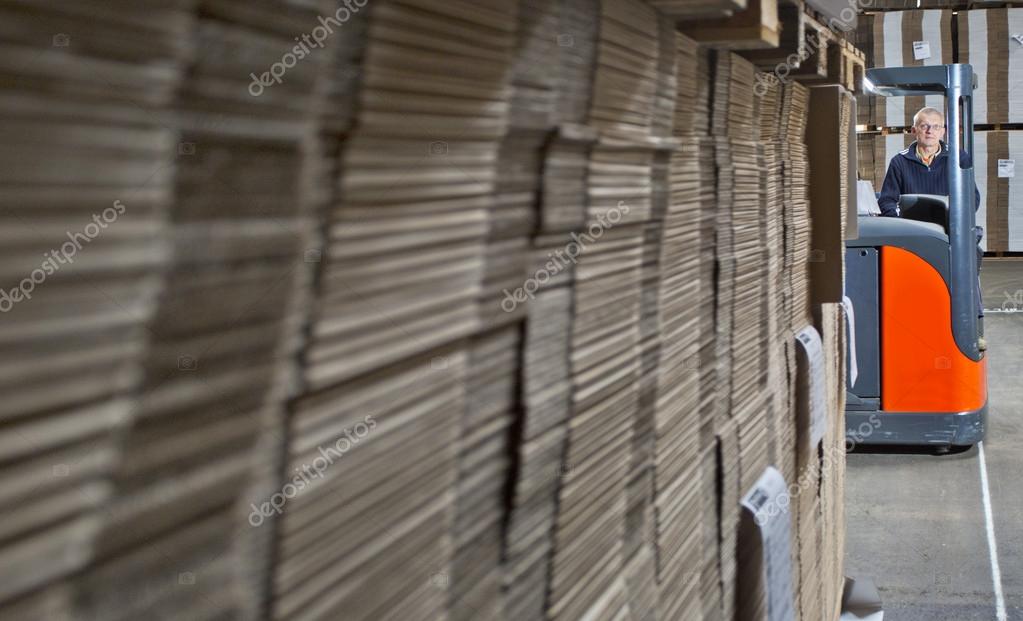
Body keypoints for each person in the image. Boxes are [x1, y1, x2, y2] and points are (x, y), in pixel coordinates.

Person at [877, 106, 986, 337]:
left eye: (936, 126)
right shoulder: (900, 162)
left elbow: (972, 197)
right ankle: (909, 323)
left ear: (943, 131)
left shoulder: (957, 158)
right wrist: (899, 224)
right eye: (924, 126)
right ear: (914, 130)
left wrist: (955, 218)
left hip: (948, 229)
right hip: (912, 231)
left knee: (968, 257)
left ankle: (972, 327)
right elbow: (887, 200)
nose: (930, 131)